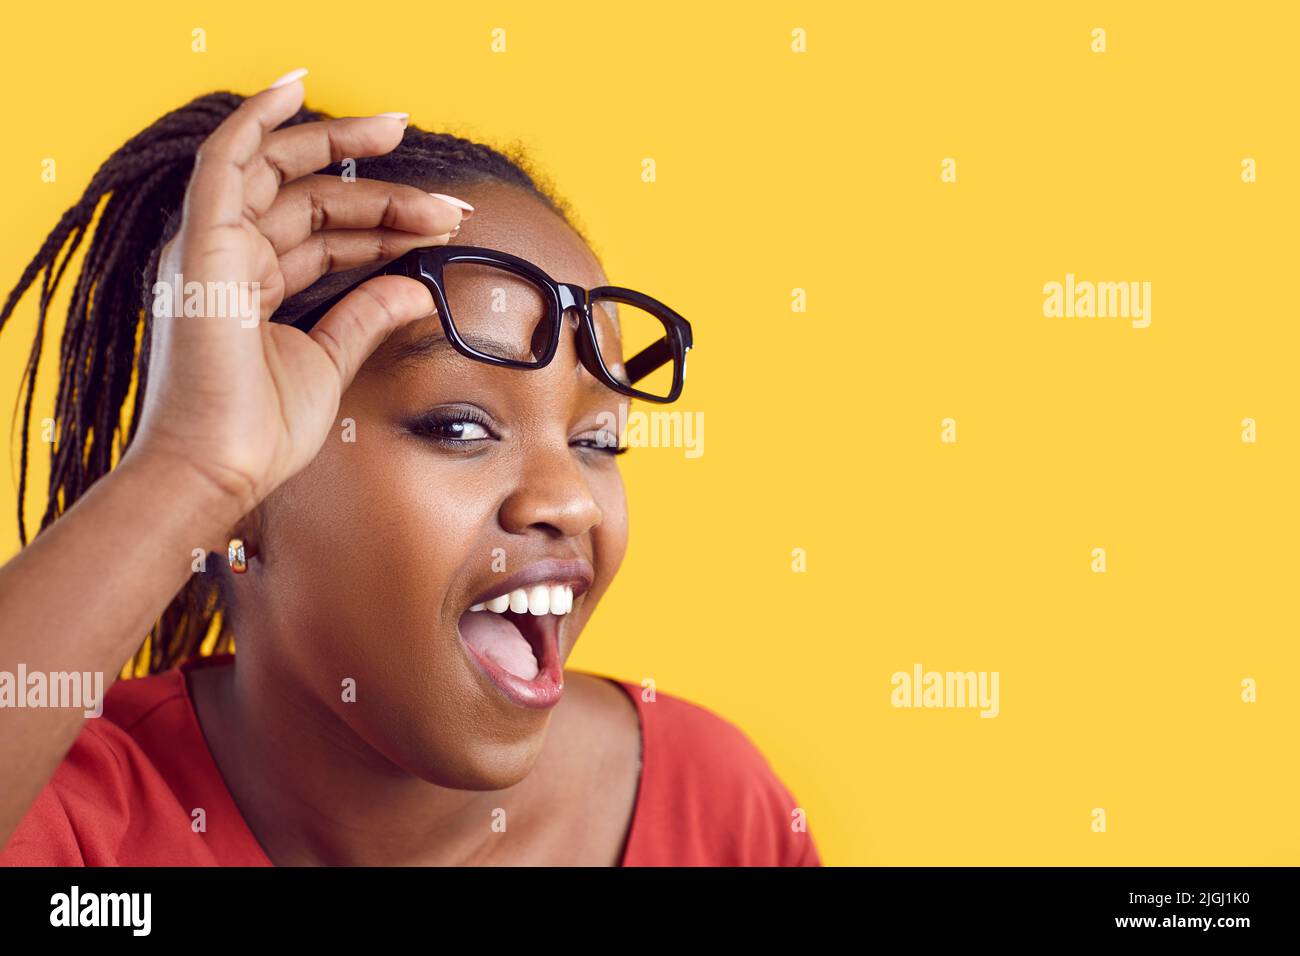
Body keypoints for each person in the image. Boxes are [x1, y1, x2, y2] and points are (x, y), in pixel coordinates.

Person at [0, 69, 820, 866]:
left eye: (597, 442)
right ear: (252, 496)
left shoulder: (718, 811)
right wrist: (188, 468)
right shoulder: (72, 824)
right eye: (460, 426)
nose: (570, 500)